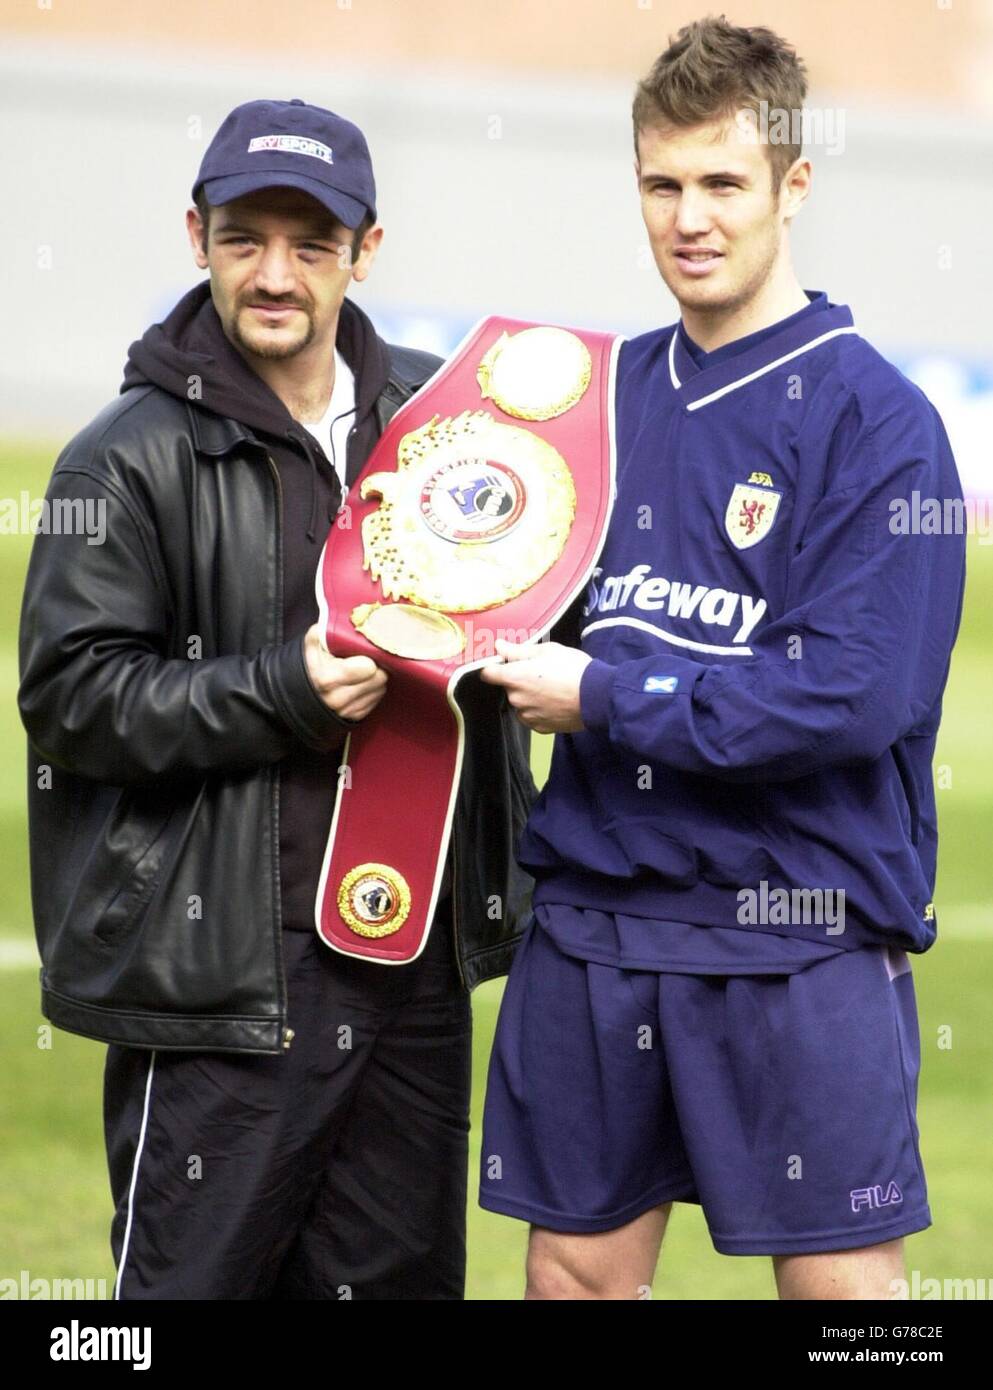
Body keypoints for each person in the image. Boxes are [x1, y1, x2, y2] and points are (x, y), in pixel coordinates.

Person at [478, 17, 967, 1300]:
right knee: (574, 1275)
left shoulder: (882, 424)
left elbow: (852, 698)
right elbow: (505, 595)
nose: (689, 218)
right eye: (661, 184)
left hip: (794, 926)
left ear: (794, 186)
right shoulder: (591, 397)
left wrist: (607, 694)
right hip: (596, 918)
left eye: (722, 183)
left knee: (846, 1296)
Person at [18, 97, 535, 1300]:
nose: (275, 273)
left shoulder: (449, 430)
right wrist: (280, 689)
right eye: (246, 237)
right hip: (226, 979)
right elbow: (73, 697)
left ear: (368, 249)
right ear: (195, 236)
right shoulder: (123, 454)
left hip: (411, 967)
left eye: (311, 243)